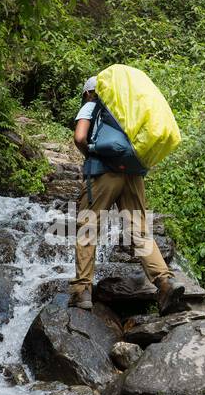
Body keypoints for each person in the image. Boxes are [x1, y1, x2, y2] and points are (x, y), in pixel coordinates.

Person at [69, 75, 189, 315]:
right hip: (132, 174)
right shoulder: (127, 112)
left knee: (88, 227)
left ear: (88, 92)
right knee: (139, 230)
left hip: (103, 173)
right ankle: (164, 282)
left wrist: (90, 153)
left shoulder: (92, 105)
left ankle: (82, 290)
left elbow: (80, 137)